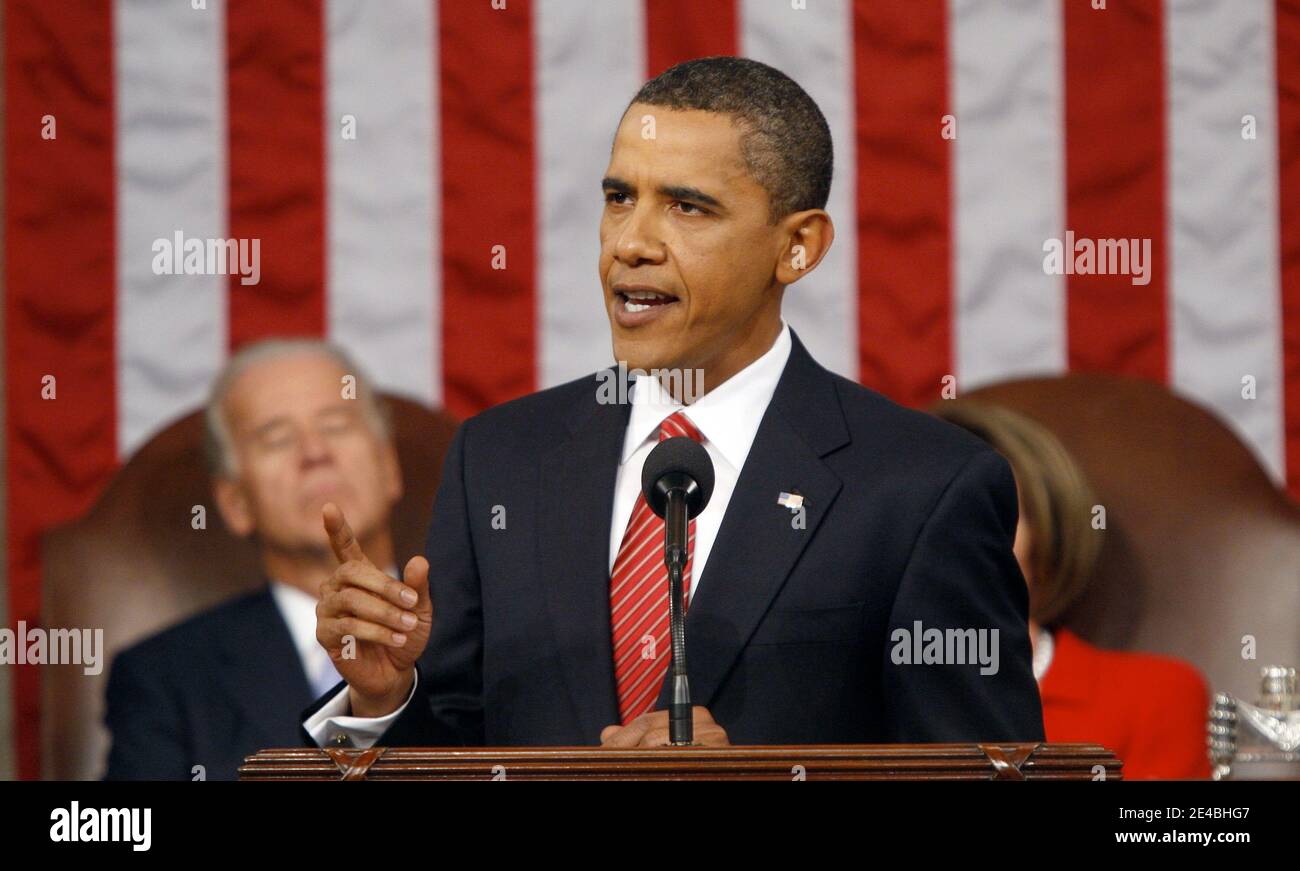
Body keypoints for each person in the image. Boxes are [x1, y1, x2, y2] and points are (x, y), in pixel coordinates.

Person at [304, 56, 1045, 749]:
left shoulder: (924, 489)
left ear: (799, 247)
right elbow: (456, 748)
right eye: (619, 197)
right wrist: (384, 699)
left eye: (688, 207)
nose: (631, 242)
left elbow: (985, 772)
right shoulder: (498, 459)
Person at [104, 339, 404, 779]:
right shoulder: (165, 679)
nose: (315, 453)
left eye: (337, 425)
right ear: (235, 503)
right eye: (277, 438)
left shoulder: (489, 634)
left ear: (389, 466)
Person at [931, 399, 1211, 778]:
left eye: (985, 516)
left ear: (1047, 537)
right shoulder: (845, 696)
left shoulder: (1154, 698)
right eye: (924, 516)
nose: (949, 542)